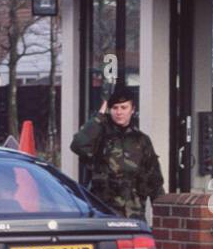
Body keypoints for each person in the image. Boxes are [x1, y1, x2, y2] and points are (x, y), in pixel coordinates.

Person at [70, 82, 164, 219]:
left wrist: (163, 217)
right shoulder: (99, 135)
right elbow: (77, 145)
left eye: (124, 107)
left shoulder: (142, 140)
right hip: (103, 214)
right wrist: (100, 114)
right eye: (114, 108)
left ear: (132, 109)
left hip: (133, 215)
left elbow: (154, 181)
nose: (119, 112)